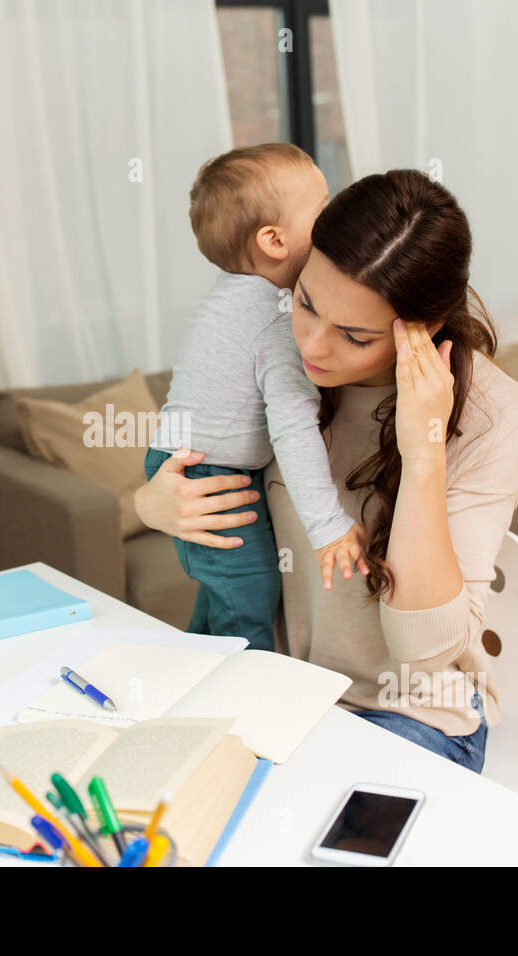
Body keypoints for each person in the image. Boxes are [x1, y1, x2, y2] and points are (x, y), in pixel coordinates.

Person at [136, 169, 518, 772]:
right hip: (278, 695)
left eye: (353, 335)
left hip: (411, 716)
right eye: (306, 303)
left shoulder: (494, 416)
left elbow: (424, 654)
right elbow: (182, 469)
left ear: (421, 329)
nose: (314, 348)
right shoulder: (272, 349)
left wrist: (423, 449)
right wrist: (154, 504)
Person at [144, 143, 368, 653]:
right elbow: (293, 429)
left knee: (224, 599)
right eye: (323, 205)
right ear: (274, 240)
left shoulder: (238, 294)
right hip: (205, 473)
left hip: (188, 462)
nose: (335, 217)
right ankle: (248, 709)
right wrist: (330, 526)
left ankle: (190, 674)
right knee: (249, 606)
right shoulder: (273, 316)